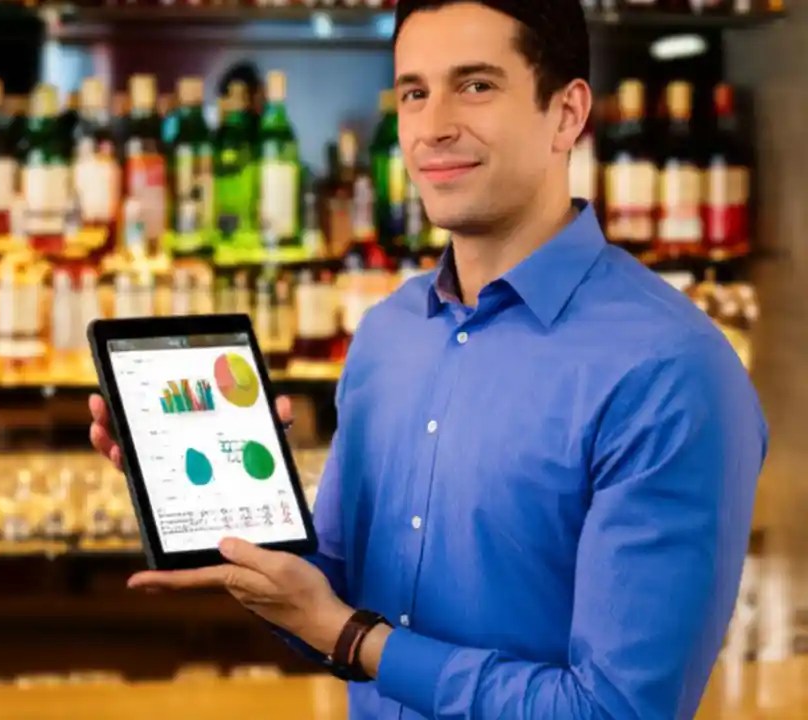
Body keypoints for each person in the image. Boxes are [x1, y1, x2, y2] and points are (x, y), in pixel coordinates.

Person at [88, 0, 768, 717]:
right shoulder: (389, 335)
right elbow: (331, 599)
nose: (433, 126)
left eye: (475, 85)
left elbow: (615, 710)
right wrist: (223, 513)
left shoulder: (671, 371)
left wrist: (351, 637)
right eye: (414, 92)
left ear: (566, 114)